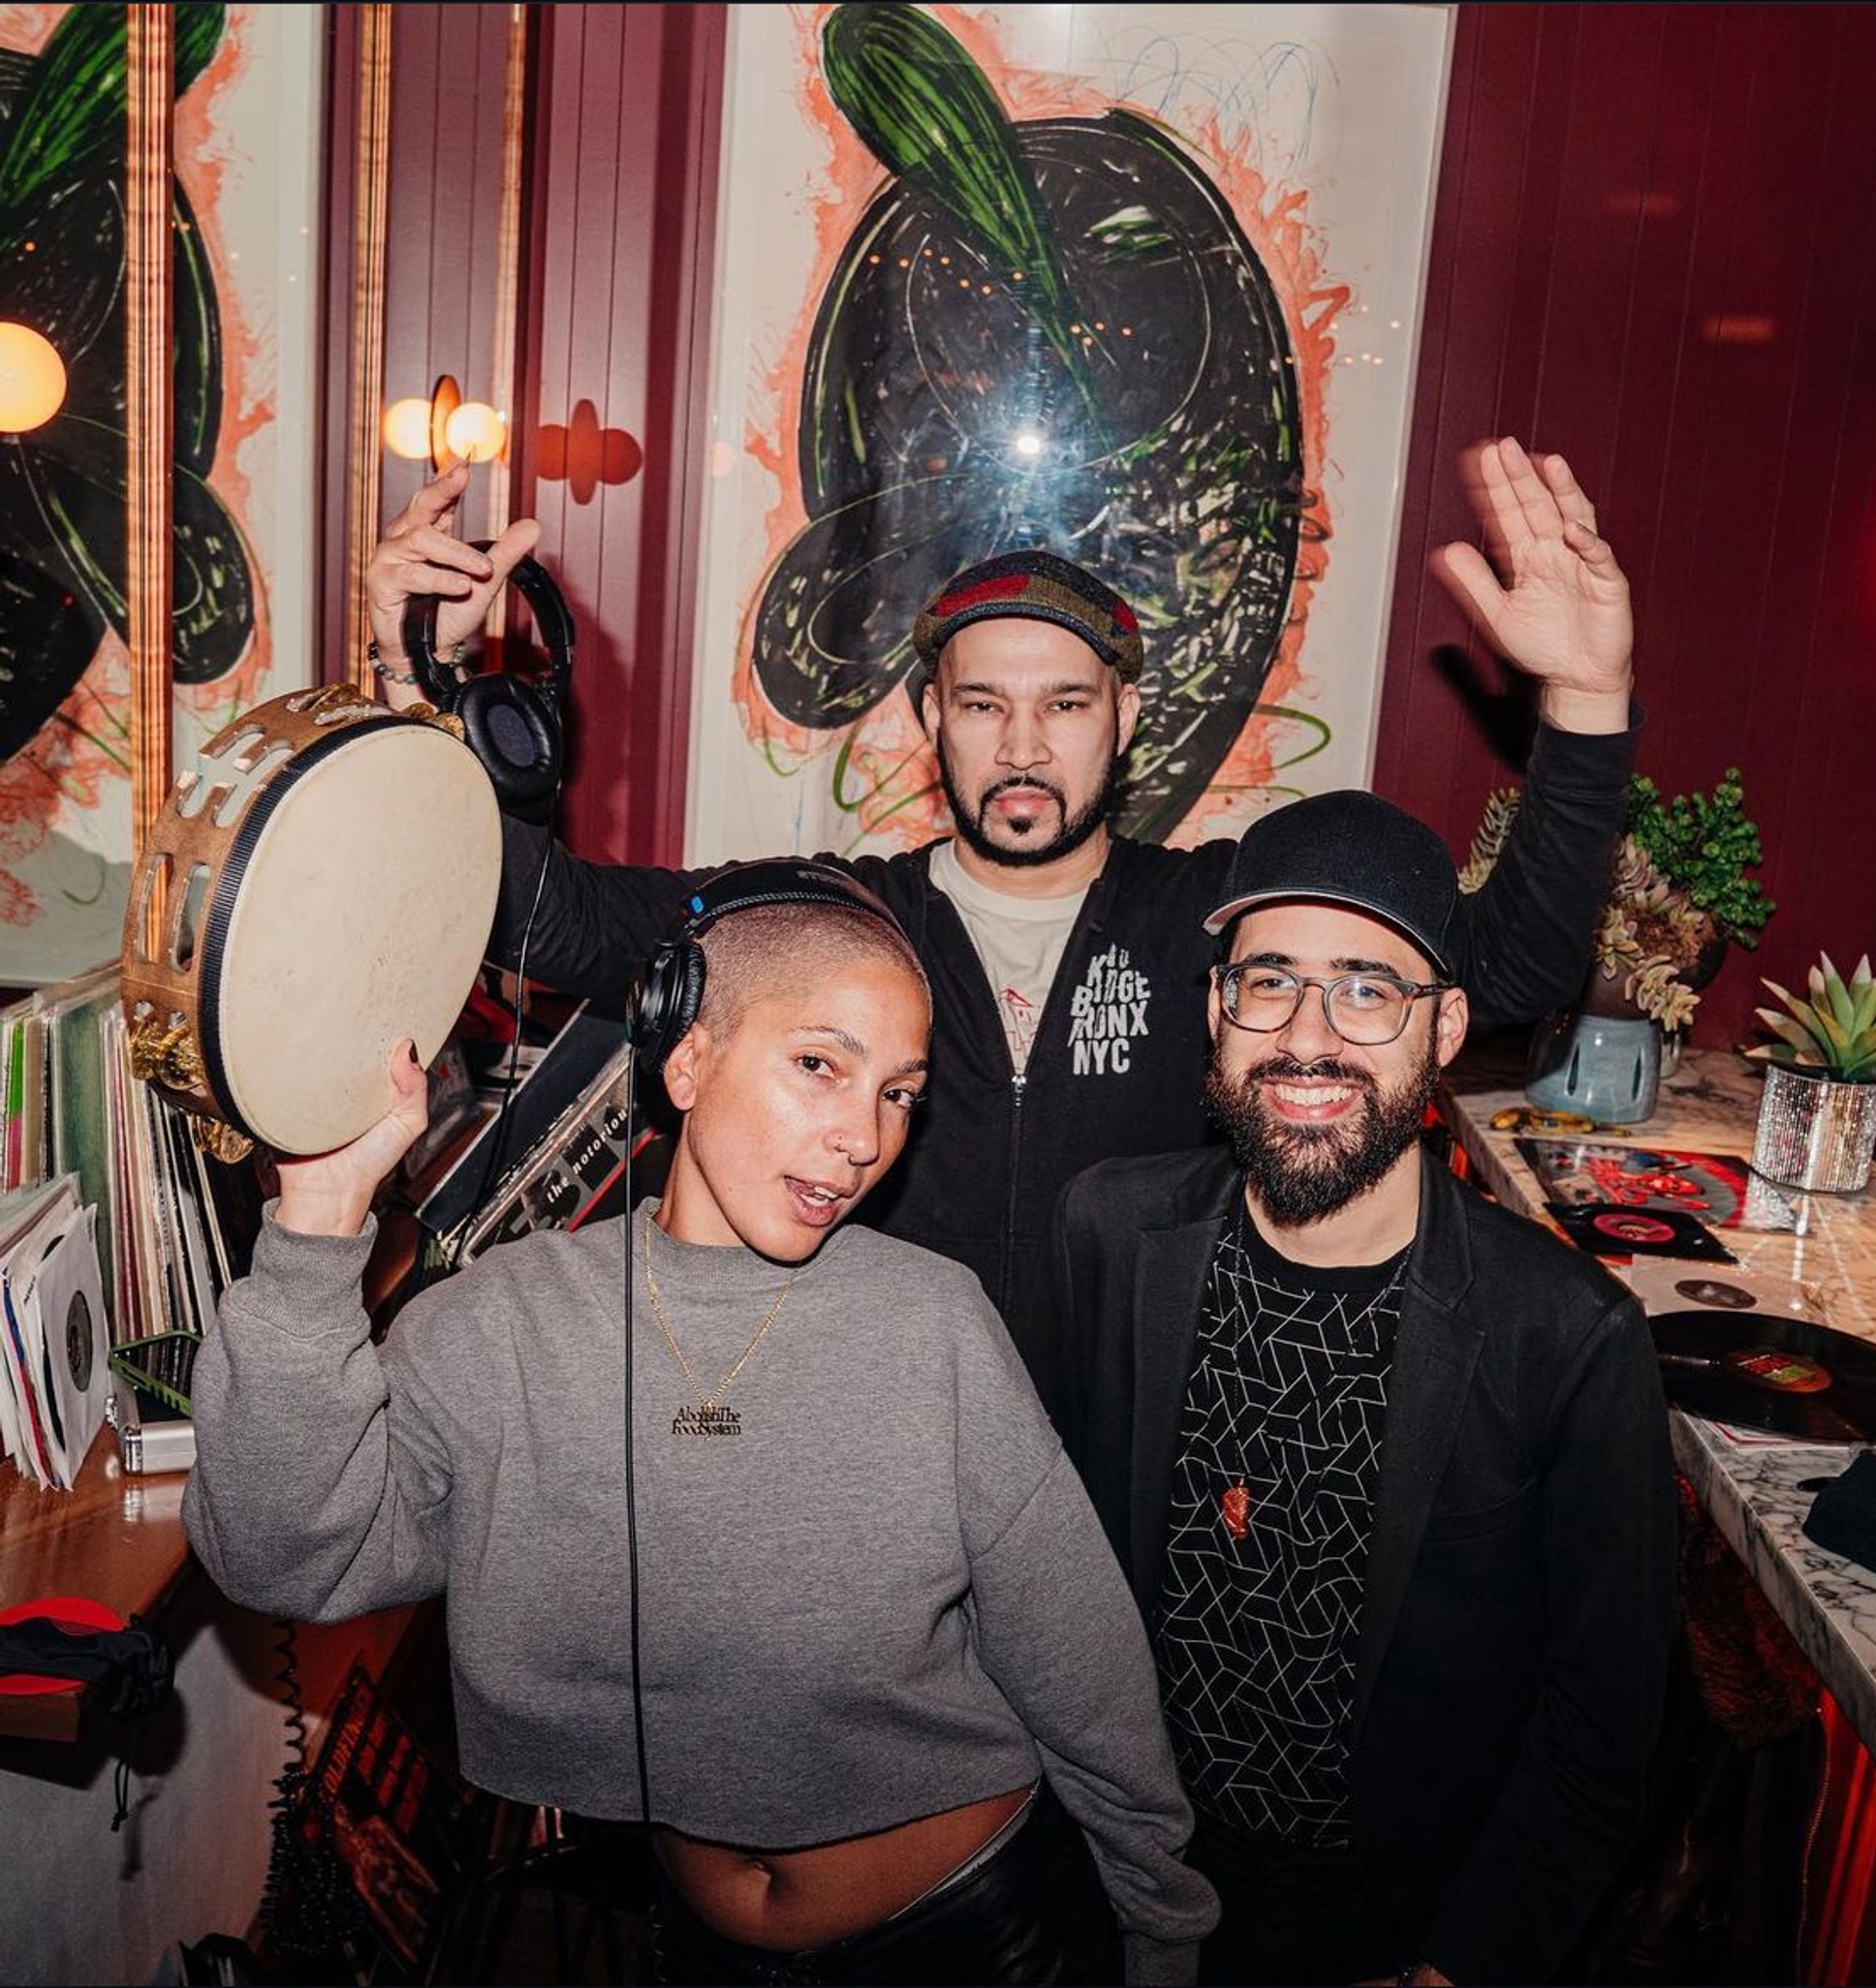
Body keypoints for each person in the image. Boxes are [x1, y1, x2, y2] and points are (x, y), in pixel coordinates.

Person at [363, 436, 1641, 1388]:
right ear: (931, 722)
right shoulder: (832, 922)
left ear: (1124, 720)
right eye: (981, 704)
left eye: (1066, 704)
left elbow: (1513, 963)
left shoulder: (1223, 918)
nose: (1022, 744)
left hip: (1142, 1478)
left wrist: (1586, 703)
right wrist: (424, 694)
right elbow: (555, 922)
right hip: (880, 1459)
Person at [181, 865, 1219, 1986]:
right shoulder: (497, 1324)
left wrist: (1162, 1933)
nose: (863, 1137)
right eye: (819, 1065)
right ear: (686, 1058)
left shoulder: (930, 1321)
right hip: (688, 1945)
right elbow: (283, 1556)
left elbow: (1080, 1661)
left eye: (898, 1093)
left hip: (968, 1932)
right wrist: (317, 1227)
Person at [1045, 792, 1678, 1987]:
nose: (1306, 1036)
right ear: (1218, 1010)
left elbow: (1598, 1732)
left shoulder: (1565, 1336)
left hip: (1381, 1929)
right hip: (1117, 1882)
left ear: (1442, 1031)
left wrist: (1453, 1968)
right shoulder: (1109, 1232)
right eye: (1267, 980)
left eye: (1367, 989)